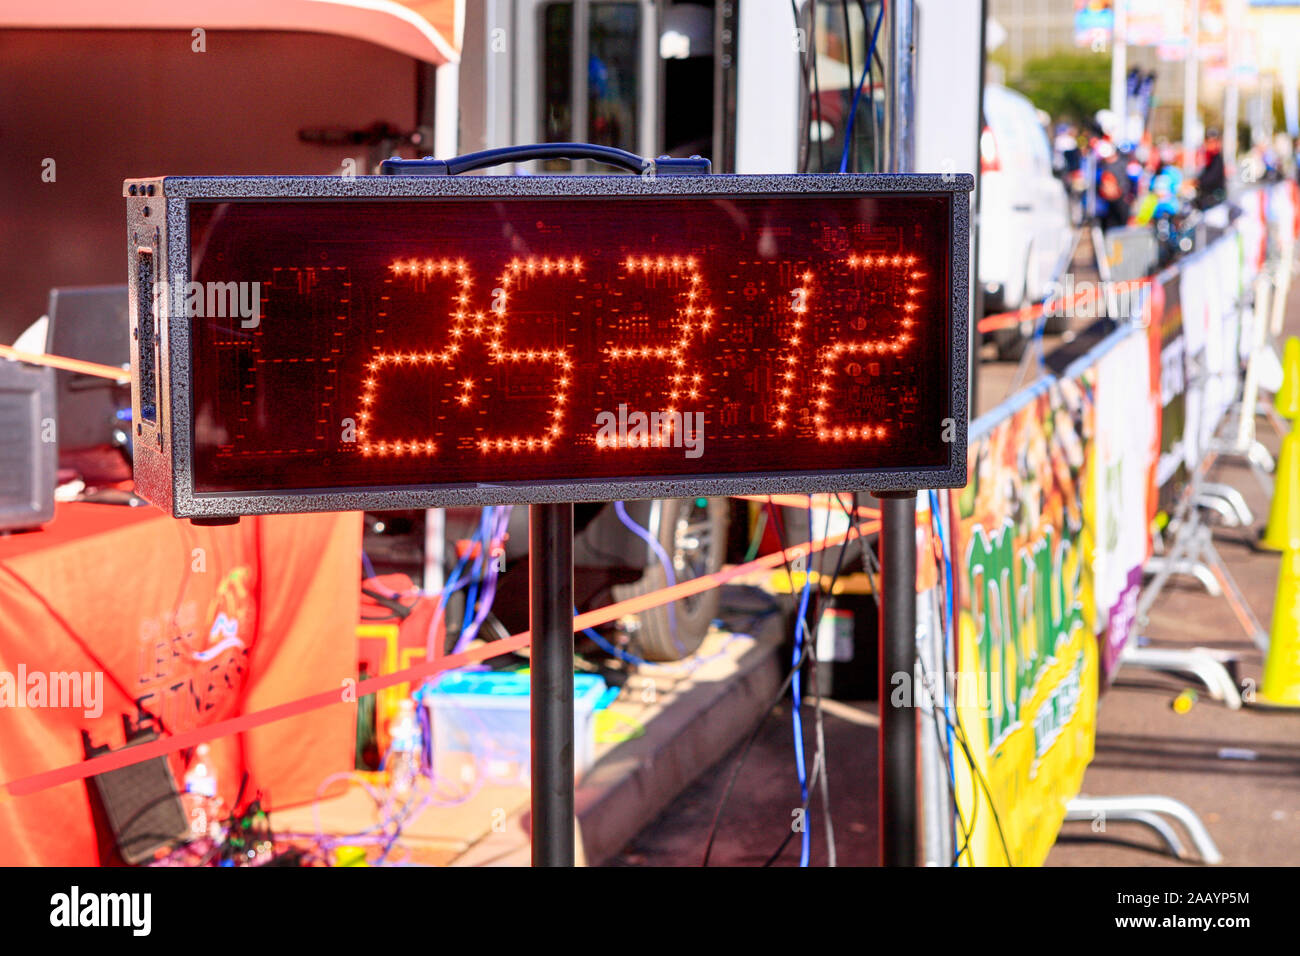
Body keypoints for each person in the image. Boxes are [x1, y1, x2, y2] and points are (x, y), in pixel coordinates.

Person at [1194, 129, 1226, 210]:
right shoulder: (1209, 158)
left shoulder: (1217, 159)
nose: (1210, 145)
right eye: (1208, 142)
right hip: (1207, 197)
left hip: (1215, 199)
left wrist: (1196, 183)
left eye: (1213, 142)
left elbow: (1210, 178)